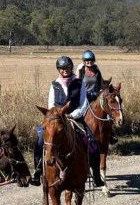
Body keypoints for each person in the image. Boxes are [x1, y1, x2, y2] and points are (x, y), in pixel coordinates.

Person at [32, 55, 104, 189]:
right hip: (57, 119)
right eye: (62, 68)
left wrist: (71, 115)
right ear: (58, 70)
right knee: (41, 140)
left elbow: (83, 104)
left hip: (75, 118)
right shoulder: (54, 85)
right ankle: (37, 170)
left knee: (92, 143)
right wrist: (59, 116)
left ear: (71, 68)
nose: (65, 70)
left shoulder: (79, 82)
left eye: (67, 68)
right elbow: (51, 104)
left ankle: (96, 175)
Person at [77, 49, 117, 144]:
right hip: (84, 96)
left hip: (96, 95)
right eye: (87, 60)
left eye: (91, 60)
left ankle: (110, 133)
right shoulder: (81, 71)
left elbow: (101, 84)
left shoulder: (97, 71)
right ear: (84, 61)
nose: (89, 62)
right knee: (80, 113)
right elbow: (77, 84)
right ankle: (80, 133)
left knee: (107, 110)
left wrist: (108, 87)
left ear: (94, 60)